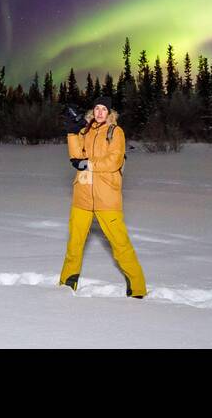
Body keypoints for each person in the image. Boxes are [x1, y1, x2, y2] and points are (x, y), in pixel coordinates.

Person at [58, 95, 147, 298]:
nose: (99, 112)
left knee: (120, 244)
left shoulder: (115, 132)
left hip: (107, 198)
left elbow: (114, 161)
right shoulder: (85, 131)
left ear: (110, 113)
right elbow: (75, 157)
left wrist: (89, 164)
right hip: (82, 196)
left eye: (103, 109)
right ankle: (67, 283)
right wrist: (72, 132)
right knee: (74, 244)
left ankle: (138, 288)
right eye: (97, 108)